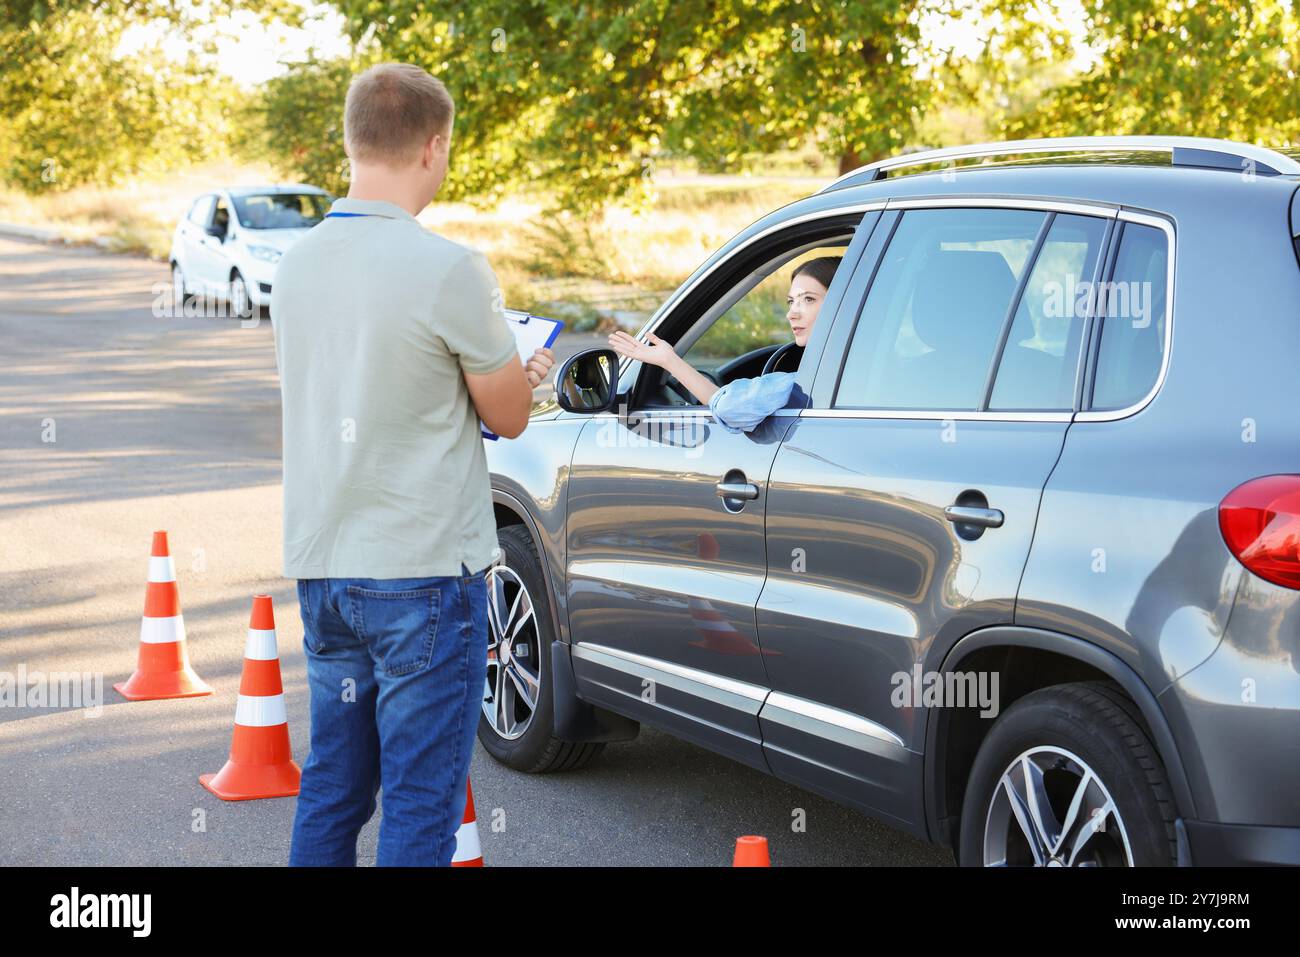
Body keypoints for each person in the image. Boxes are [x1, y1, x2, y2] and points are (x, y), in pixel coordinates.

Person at [270, 62, 554, 867]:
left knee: (332, 786)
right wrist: (516, 377)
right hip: (425, 572)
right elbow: (505, 414)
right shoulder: (451, 268)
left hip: (325, 567)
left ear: (353, 141)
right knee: (421, 807)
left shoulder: (295, 263)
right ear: (434, 147)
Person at [608, 256, 841, 432]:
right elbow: (722, 401)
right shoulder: (856, 368)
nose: (792, 314)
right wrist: (668, 360)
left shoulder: (799, 384)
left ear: (843, 301)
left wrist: (670, 361)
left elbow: (728, 407)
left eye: (808, 299)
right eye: (791, 302)